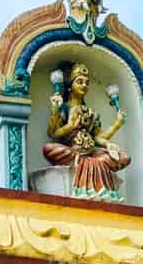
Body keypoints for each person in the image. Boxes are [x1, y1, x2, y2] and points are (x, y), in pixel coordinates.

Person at [42, 62, 131, 199]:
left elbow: (98, 138)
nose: (84, 85)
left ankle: (88, 164)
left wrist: (116, 126)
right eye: (80, 82)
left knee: (124, 158)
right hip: (72, 151)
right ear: (70, 86)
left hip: (91, 153)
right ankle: (86, 163)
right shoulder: (63, 108)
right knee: (48, 148)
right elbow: (53, 133)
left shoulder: (91, 113)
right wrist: (66, 122)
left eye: (86, 83)